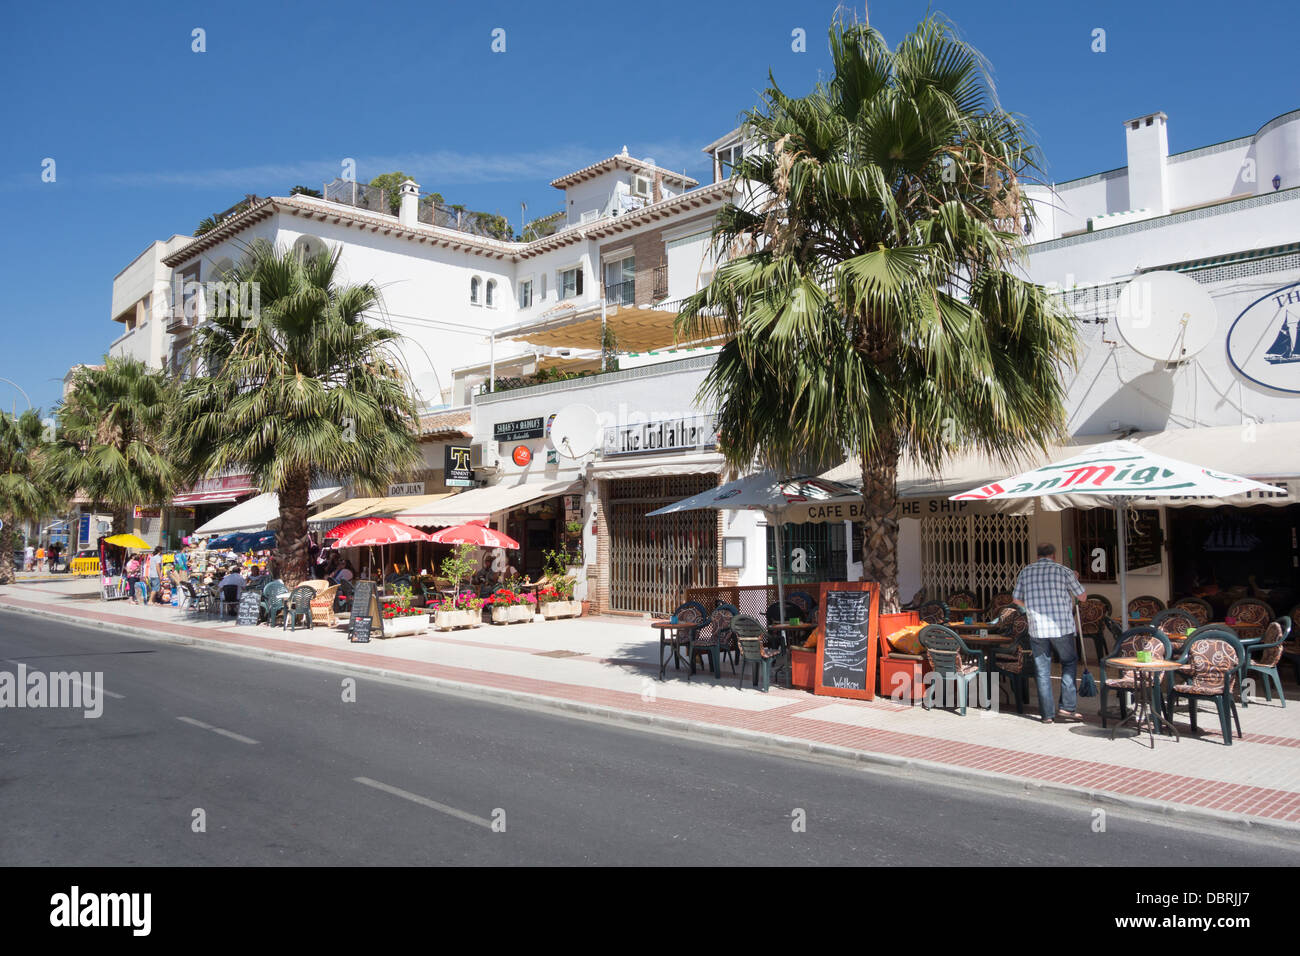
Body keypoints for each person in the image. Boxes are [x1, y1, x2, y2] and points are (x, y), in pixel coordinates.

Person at [1012, 542, 1087, 724]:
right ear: (1054, 554)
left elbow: (1015, 599)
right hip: (1061, 627)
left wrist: (1029, 608)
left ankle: (1047, 715)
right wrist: (1075, 579)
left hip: (1037, 628)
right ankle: (1067, 708)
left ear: (1037, 555)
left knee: (1042, 670)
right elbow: (1082, 596)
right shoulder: (1063, 571)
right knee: (1068, 663)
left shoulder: (1026, 571)